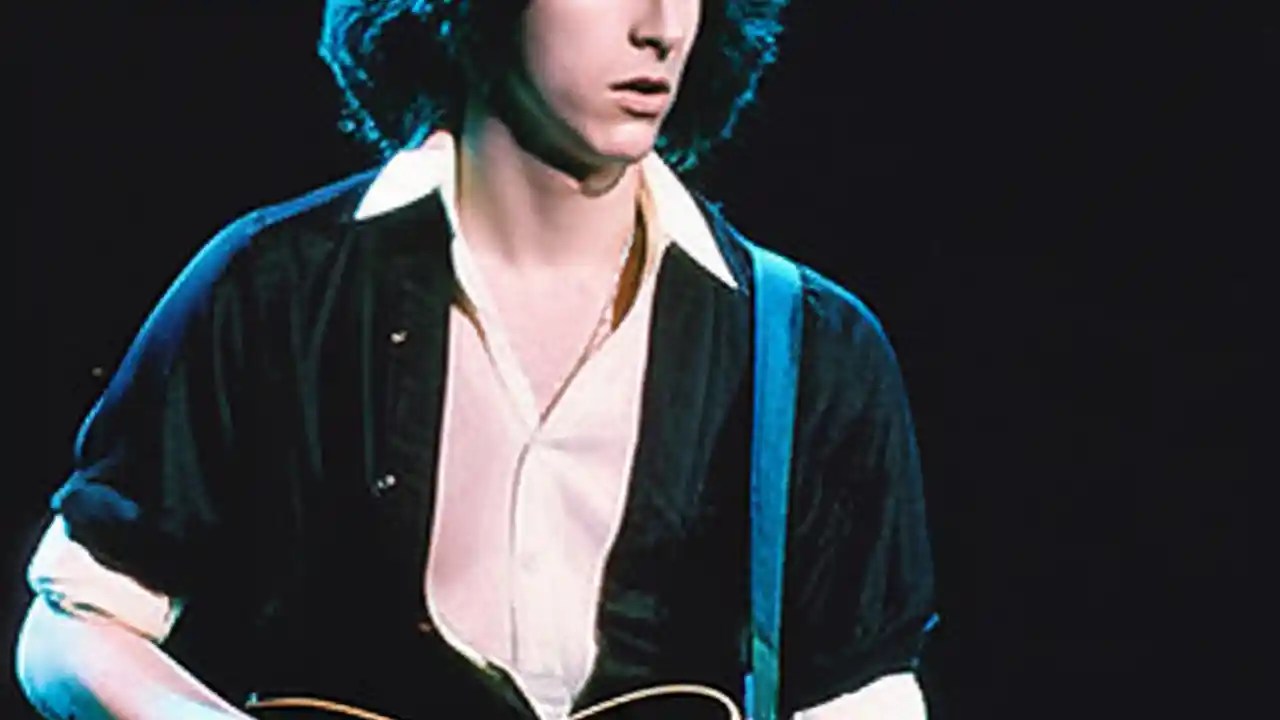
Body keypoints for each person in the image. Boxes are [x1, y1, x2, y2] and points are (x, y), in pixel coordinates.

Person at [15, 1, 938, 718]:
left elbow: (864, 693)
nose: (659, 28)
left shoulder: (811, 346)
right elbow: (68, 628)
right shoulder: (275, 289)